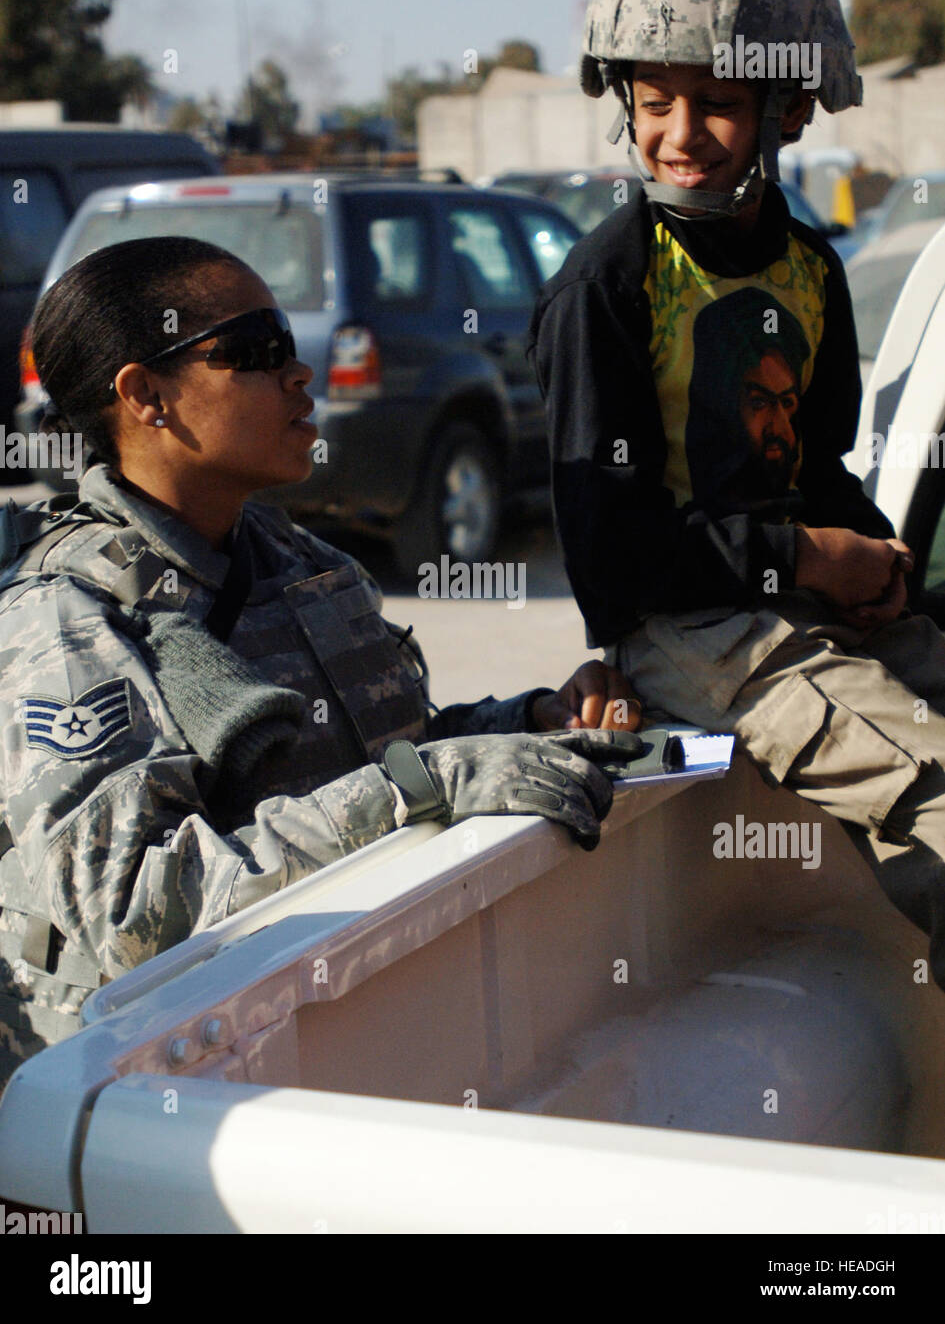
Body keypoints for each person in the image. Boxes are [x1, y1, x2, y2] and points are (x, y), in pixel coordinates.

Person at [0, 234, 647, 1093]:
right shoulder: (67, 621)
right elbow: (131, 912)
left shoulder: (295, 558)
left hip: (335, 1033)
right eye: (258, 353)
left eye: (290, 350)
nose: (299, 376)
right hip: (159, 1103)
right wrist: (429, 784)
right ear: (145, 395)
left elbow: (392, 751)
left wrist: (525, 723)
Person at [529, 0, 945, 987]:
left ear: (788, 108)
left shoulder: (811, 268)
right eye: (653, 100)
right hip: (692, 633)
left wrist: (874, 558)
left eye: (714, 100)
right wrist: (809, 559)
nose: (680, 135)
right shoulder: (607, 287)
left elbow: (821, 470)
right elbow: (616, 564)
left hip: (795, 605)